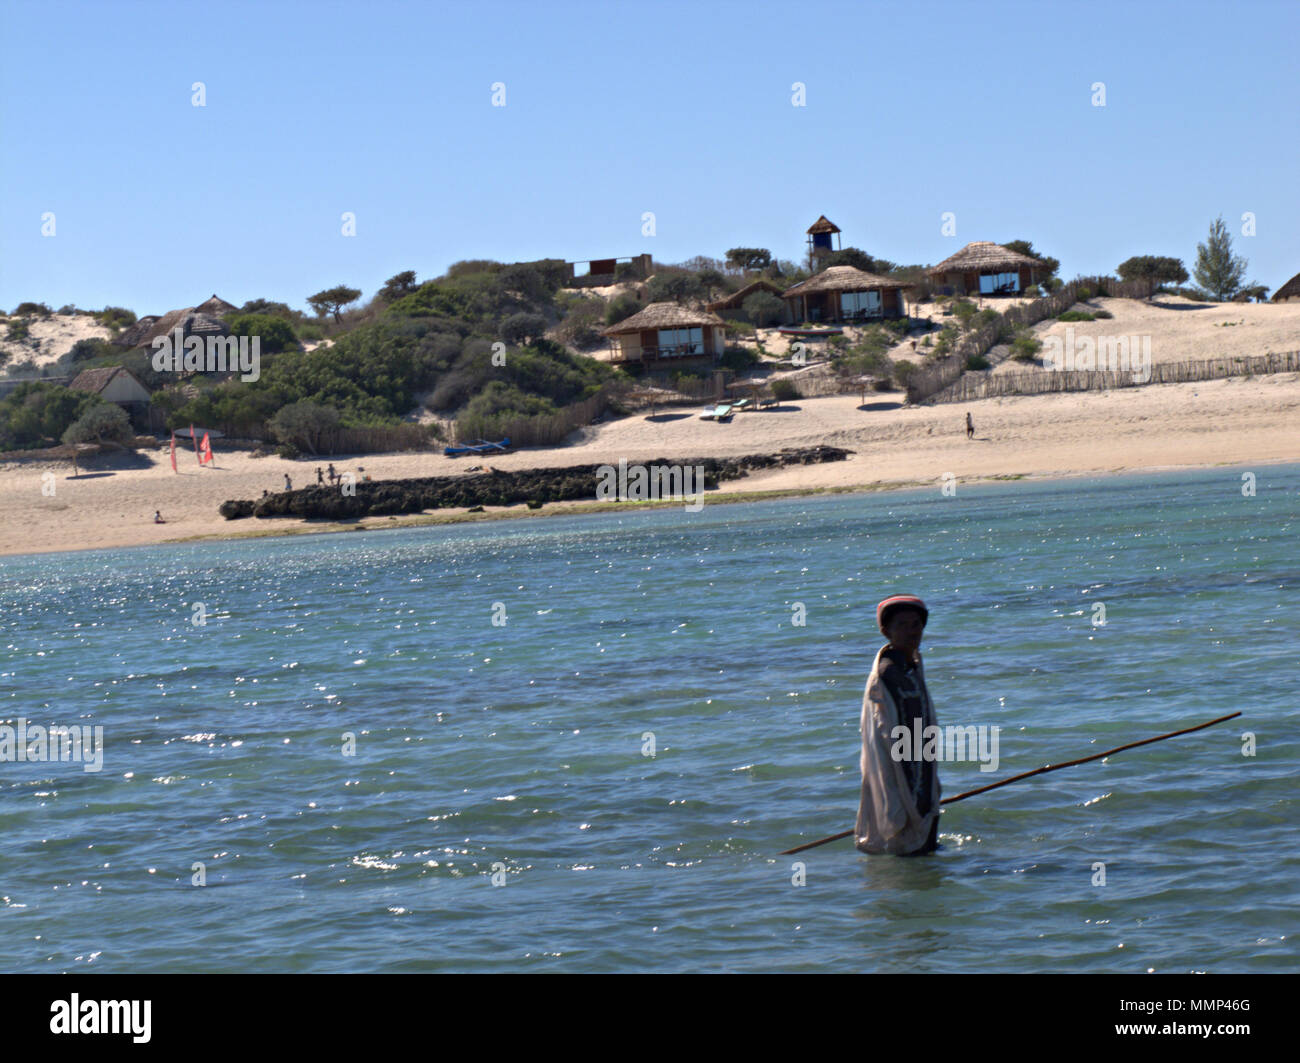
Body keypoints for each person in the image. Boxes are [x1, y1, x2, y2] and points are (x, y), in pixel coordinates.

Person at [855, 595, 941, 855]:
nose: (911, 632)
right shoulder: (890, 673)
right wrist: (916, 793)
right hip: (906, 771)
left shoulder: (910, 666)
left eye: (916, 624)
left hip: (920, 769)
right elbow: (896, 733)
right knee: (909, 836)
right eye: (902, 625)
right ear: (886, 631)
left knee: (920, 842)